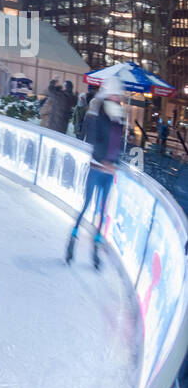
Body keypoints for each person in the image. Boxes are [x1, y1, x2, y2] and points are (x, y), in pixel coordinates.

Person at [66, 78, 124, 268]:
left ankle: (95, 249)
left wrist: (115, 162)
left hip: (109, 171)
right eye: (115, 94)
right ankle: (73, 238)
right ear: (108, 94)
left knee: (102, 210)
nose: (117, 97)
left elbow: (117, 143)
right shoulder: (99, 112)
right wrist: (104, 161)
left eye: (119, 95)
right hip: (96, 167)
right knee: (87, 205)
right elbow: (95, 139)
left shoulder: (119, 115)